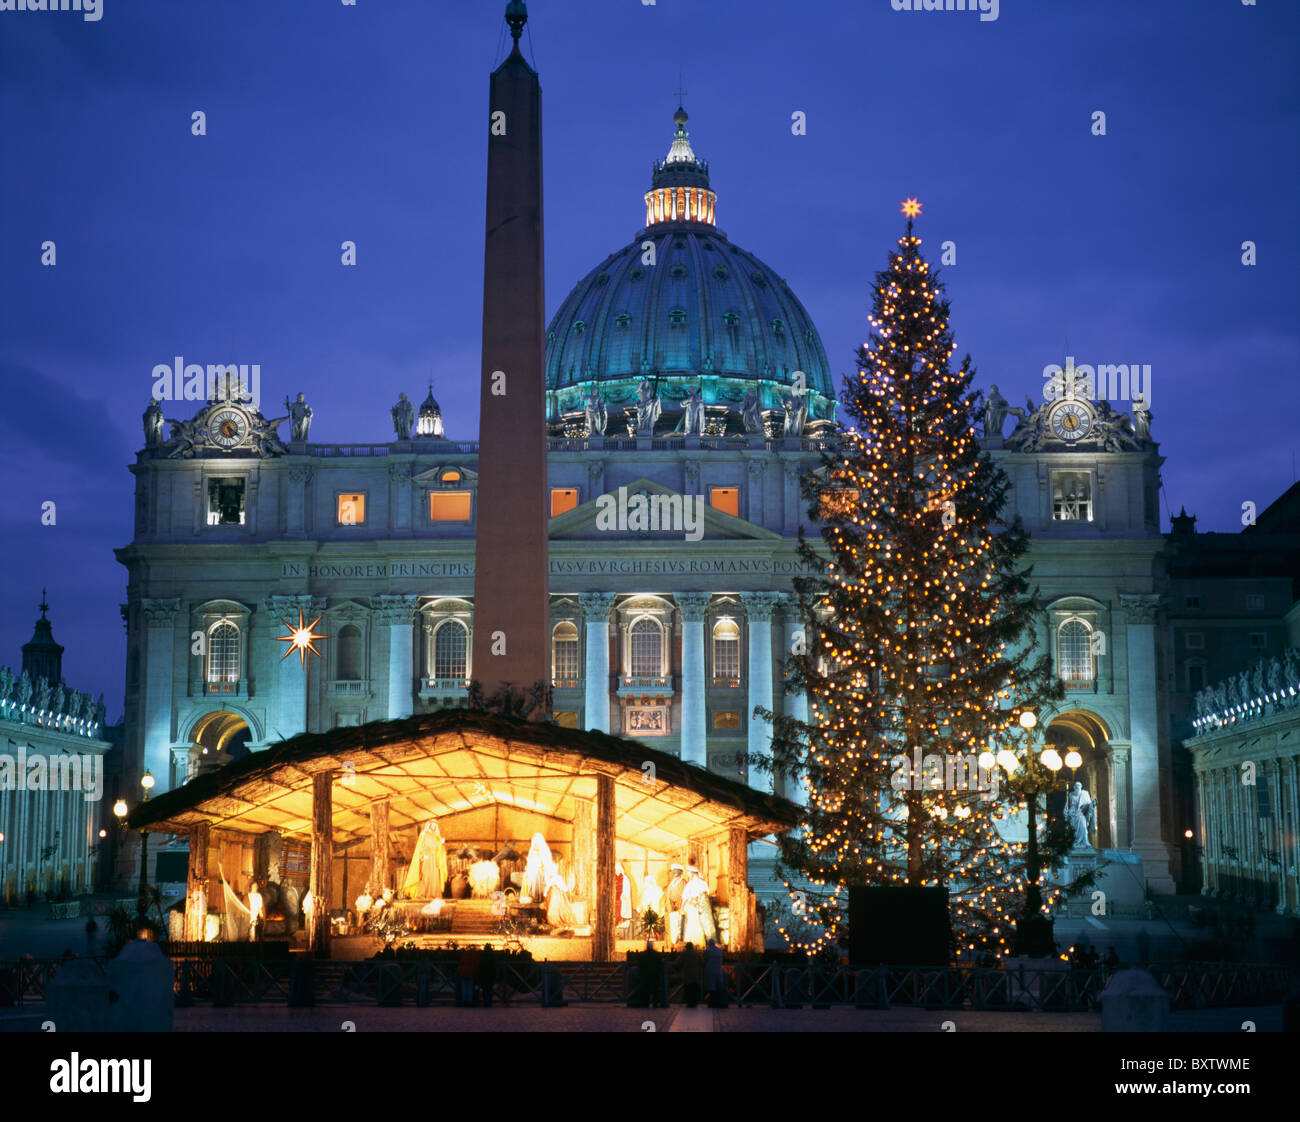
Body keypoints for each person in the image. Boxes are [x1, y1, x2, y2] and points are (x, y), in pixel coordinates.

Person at [678, 942, 703, 1008]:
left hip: (687, 974)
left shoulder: (684, 953)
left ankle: (689, 1002)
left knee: (688, 989)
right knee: (694, 988)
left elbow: (678, 961)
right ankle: (694, 1002)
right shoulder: (696, 954)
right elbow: (701, 962)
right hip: (695, 974)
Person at [704, 937, 726, 1008]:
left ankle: (712, 1002)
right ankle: (720, 1002)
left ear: (709, 944)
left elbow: (705, 959)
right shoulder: (719, 950)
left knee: (711, 986)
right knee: (719, 986)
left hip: (710, 970)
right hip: (719, 970)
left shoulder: (707, 950)